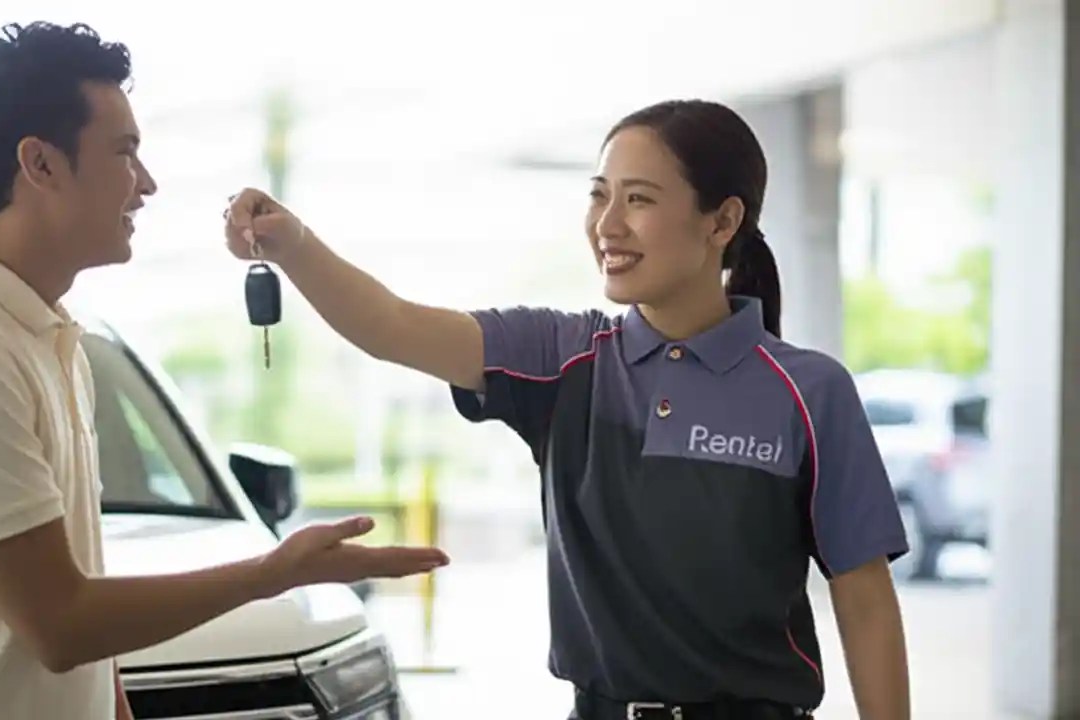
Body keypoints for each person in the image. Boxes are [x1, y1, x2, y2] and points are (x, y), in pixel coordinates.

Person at [224, 99, 911, 719]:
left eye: (638, 199)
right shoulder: (562, 358)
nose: (607, 225)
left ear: (722, 220)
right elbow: (393, 326)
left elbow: (865, 599)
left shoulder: (809, 390)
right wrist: (295, 248)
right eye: (599, 196)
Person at [0, 21, 447, 720]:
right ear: (40, 164)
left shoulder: (47, 338)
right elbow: (62, 623)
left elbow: (85, 629)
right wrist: (273, 572)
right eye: (125, 153)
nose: (147, 185)